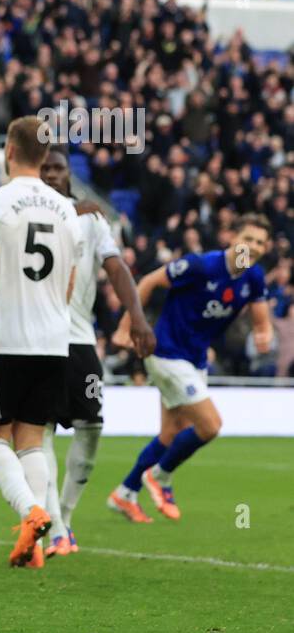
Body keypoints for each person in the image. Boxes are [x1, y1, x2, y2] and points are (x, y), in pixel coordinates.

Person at [0, 117, 83, 569]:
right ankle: (34, 543)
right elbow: (70, 280)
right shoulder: (67, 210)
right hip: (55, 343)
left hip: (4, 339)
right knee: (31, 440)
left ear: (10, 151)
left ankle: (30, 513)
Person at [108, 214, 274, 522]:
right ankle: (160, 476)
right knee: (210, 426)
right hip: (166, 352)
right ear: (232, 238)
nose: (253, 246)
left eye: (260, 242)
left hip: (194, 359)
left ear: (266, 248)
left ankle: (125, 492)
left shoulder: (254, 278)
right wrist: (125, 326)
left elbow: (262, 320)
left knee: (170, 434)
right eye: (248, 239)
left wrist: (265, 335)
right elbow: (146, 282)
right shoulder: (201, 266)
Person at [38, 146, 155, 553]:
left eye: (58, 169)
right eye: (44, 168)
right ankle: (54, 528)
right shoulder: (21, 214)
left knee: (92, 429)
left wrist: (136, 315)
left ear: (68, 175)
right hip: (33, 344)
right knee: (41, 435)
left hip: (80, 342)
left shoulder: (92, 219)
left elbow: (116, 267)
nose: (52, 174)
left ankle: (63, 517)